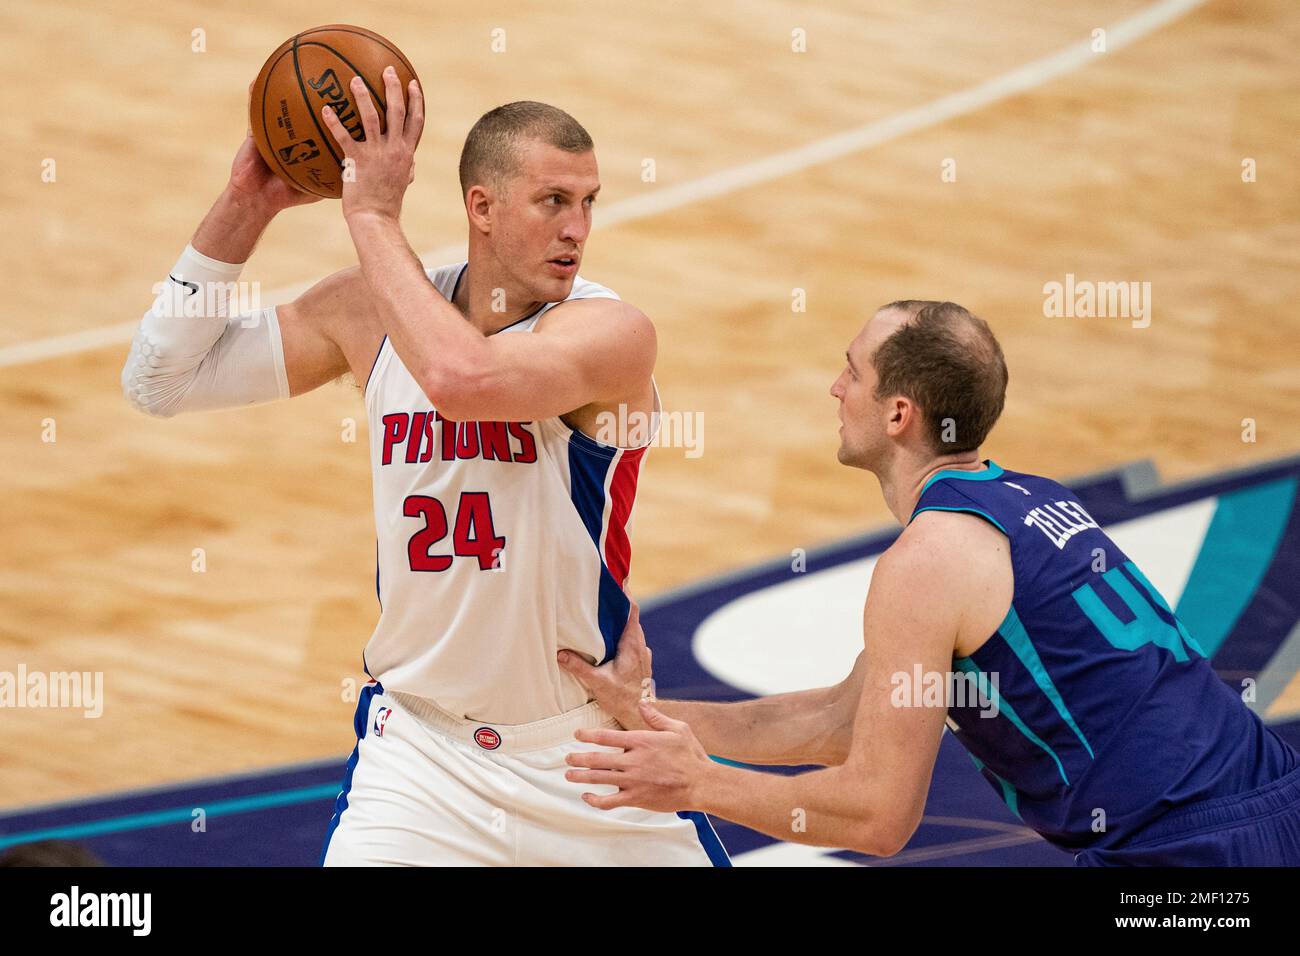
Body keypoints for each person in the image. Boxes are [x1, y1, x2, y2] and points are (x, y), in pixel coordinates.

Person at [121, 71, 727, 866]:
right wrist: (248, 202)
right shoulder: (366, 315)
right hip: (422, 760)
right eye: (553, 200)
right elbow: (160, 380)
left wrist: (370, 213)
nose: (577, 227)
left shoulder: (609, 335)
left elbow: (463, 382)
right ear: (482, 207)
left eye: (589, 202)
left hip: (584, 753)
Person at [559, 299, 1300, 865]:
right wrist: (652, 716)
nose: (834, 387)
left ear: (899, 414)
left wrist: (698, 783)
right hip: (1266, 803)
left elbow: (878, 817)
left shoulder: (929, 560)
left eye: (853, 371)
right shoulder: (1031, 496)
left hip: (1191, 855)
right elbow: (841, 725)